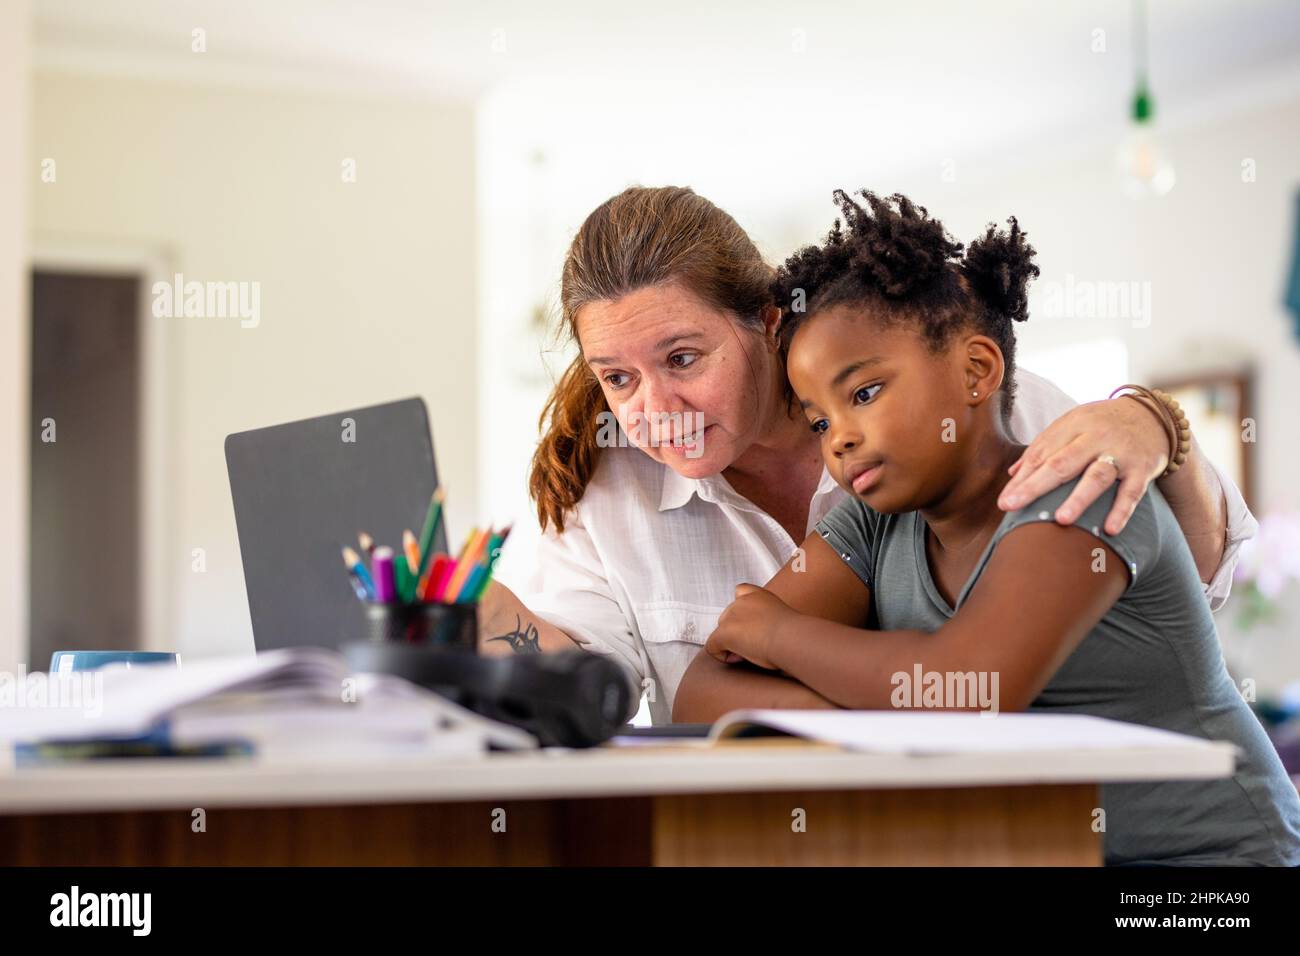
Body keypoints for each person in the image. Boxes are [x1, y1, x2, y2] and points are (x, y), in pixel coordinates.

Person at [674, 189, 1300, 865]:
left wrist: (779, 635)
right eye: (820, 420)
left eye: (865, 393)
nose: (839, 439)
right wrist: (891, 722)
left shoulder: (1076, 488)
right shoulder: (874, 525)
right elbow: (702, 695)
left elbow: (969, 688)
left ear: (977, 370)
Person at [479, 185, 1253, 728]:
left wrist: (1158, 426)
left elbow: (1191, 574)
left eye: (683, 359)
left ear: (766, 322)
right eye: (618, 379)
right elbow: (612, 692)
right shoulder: (603, 497)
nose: (653, 410)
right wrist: (479, 619)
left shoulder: (976, 419)